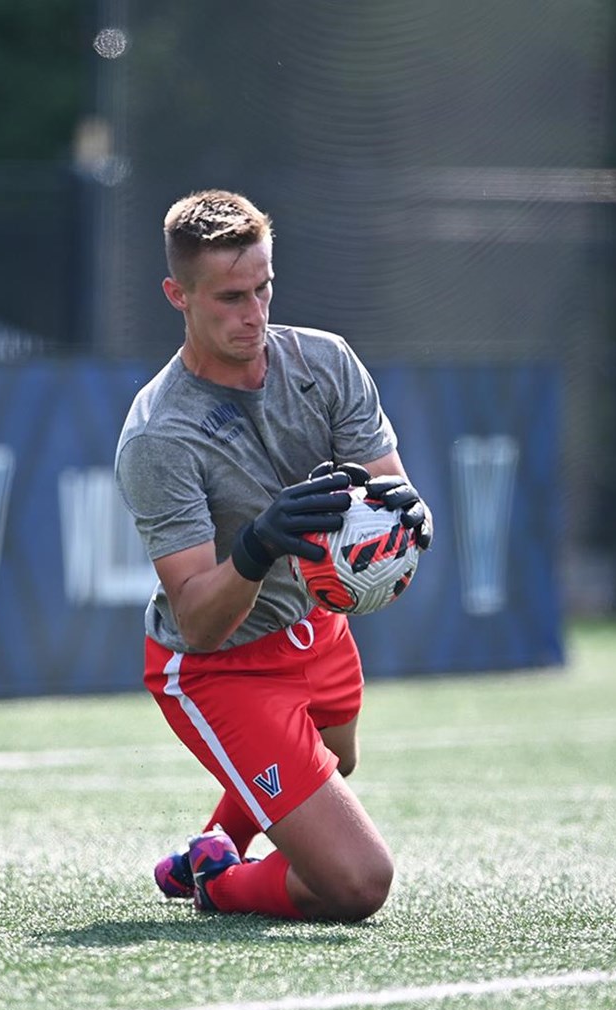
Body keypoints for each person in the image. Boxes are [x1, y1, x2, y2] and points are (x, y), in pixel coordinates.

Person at [114, 189, 431, 921]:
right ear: (177, 295)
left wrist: (412, 516)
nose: (253, 314)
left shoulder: (327, 362)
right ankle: (218, 884)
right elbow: (198, 621)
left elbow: (390, 491)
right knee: (357, 882)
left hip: (316, 629)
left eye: (263, 288)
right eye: (229, 297)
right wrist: (259, 543)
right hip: (218, 667)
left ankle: (210, 844)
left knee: (337, 757)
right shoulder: (159, 433)